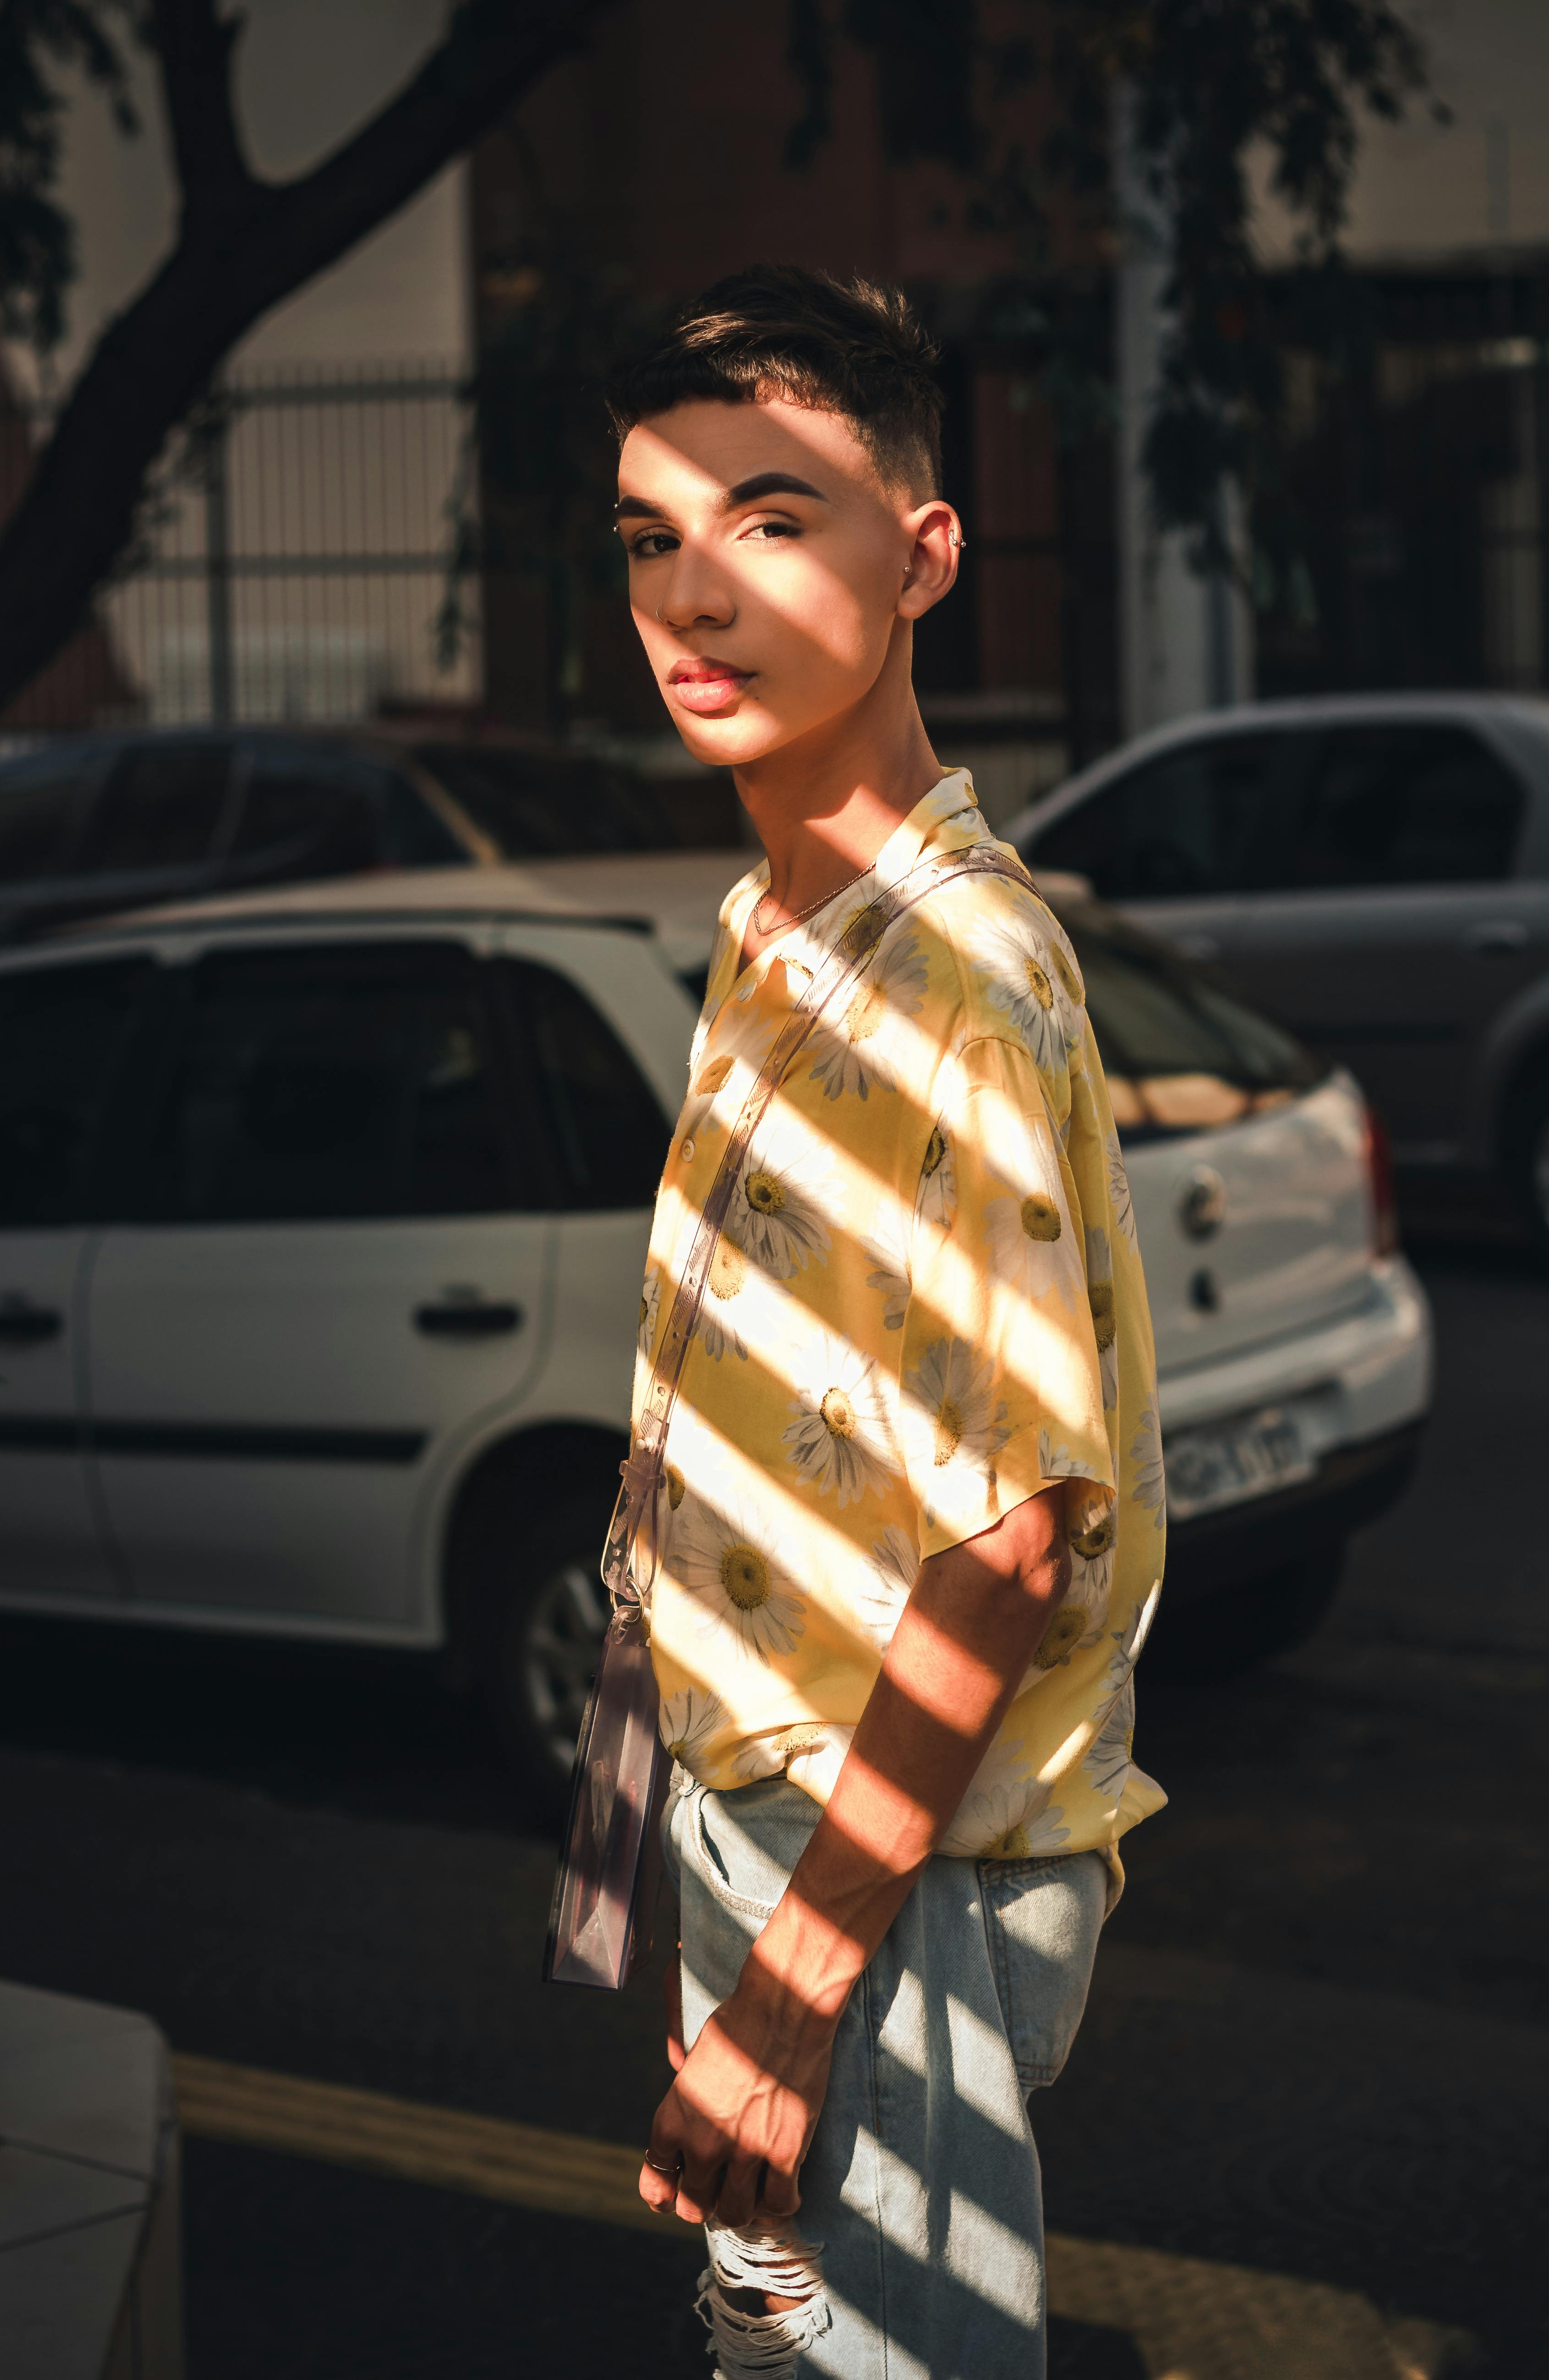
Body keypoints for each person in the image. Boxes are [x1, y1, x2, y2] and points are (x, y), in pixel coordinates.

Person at [605, 264, 1167, 2380]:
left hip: (883, 1872)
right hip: (783, 1812)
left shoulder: (958, 975)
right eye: (652, 540)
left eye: (769, 518)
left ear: (922, 554)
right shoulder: (778, 924)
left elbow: (1012, 1532)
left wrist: (778, 2008)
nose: (693, 597)